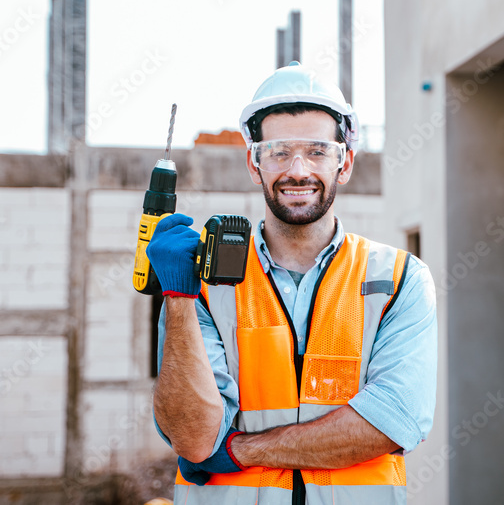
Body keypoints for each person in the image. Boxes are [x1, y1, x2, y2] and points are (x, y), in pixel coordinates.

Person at [145, 62, 437, 504]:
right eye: (279, 151)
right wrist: (178, 296)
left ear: (345, 163)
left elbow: (392, 420)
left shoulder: (397, 279)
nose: (297, 170)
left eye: (317, 151)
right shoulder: (205, 285)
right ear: (254, 163)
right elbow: (195, 439)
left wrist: (242, 449)